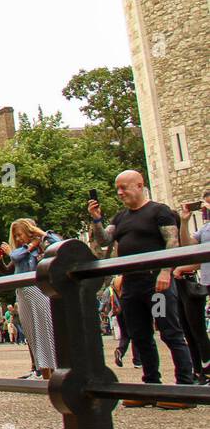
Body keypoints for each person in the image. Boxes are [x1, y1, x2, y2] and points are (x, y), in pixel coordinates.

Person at [88, 170, 196, 407]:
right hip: (131, 284)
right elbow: (105, 240)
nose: (120, 192)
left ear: (139, 185)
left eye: (124, 187)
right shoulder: (120, 217)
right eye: (117, 188)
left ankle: (186, 388)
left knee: (170, 332)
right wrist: (96, 219)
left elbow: (172, 242)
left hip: (155, 284)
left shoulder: (159, 211)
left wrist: (165, 271)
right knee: (140, 336)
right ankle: (151, 386)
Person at [0, 218, 61, 381]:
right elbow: (9, 269)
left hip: (38, 291)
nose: (17, 239)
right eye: (15, 236)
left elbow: (59, 243)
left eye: (19, 234)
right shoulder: (22, 253)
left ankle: (52, 373)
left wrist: (40, 234)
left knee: (44, 332)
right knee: (32, 335)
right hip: (23, 293)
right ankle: (42, 371)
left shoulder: (40, 247)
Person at [171, 189, 210, 382]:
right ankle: (201, 370)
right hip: (206, 282)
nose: (205, 207)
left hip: (195, 281)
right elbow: (188, 249)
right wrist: (185, 221)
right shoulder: (205, 228)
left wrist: (181, 269)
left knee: (198, 329)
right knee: (192, 329)